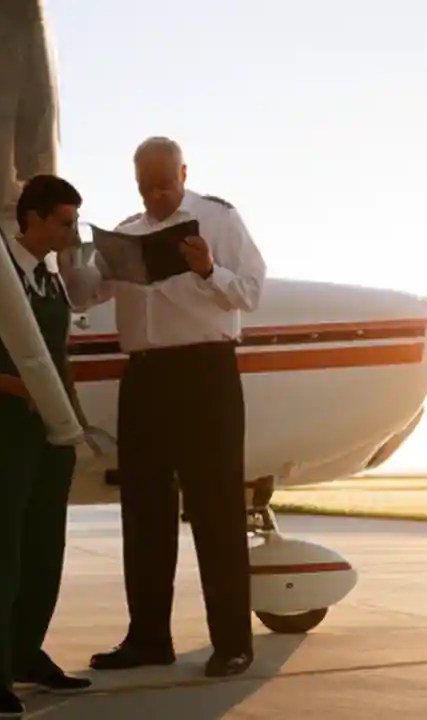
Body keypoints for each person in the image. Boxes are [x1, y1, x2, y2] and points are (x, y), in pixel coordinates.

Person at [60, 136, 267, 678]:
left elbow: (250, 292)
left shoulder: (218, 219)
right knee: (144, 511)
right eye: (145, 187)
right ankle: (148, 637)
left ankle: (232, 643)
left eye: (164, 185)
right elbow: (85, 296)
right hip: (146, 376)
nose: (156, 196)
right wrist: (68, 254)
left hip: (206, 372)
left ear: (183, 172)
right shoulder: (126, 233)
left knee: (216, 507)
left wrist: (206, 269)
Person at [0, 174, 94, 717]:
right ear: (32, 218)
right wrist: (25, 390)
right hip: (6, 424)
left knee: (43, 543)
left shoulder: (49, 275)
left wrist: (72, 421)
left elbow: (57, 354)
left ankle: (26, 654)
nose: (72, 231)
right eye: (65, 220)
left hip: (50, 429)